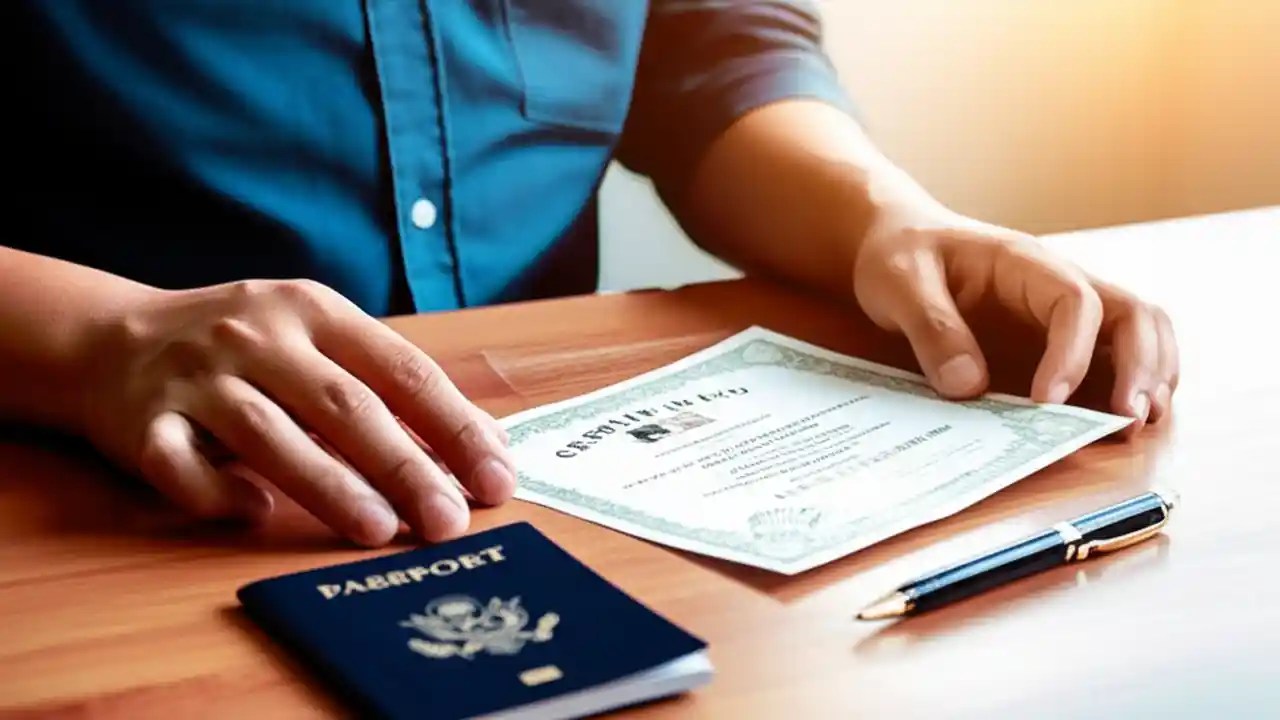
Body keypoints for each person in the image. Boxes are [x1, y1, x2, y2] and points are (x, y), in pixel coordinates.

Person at [2, 2, 1177, 547]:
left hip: (549, 477)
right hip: (112, 511)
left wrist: (880, 220)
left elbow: (703, 47)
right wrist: (100, 336)